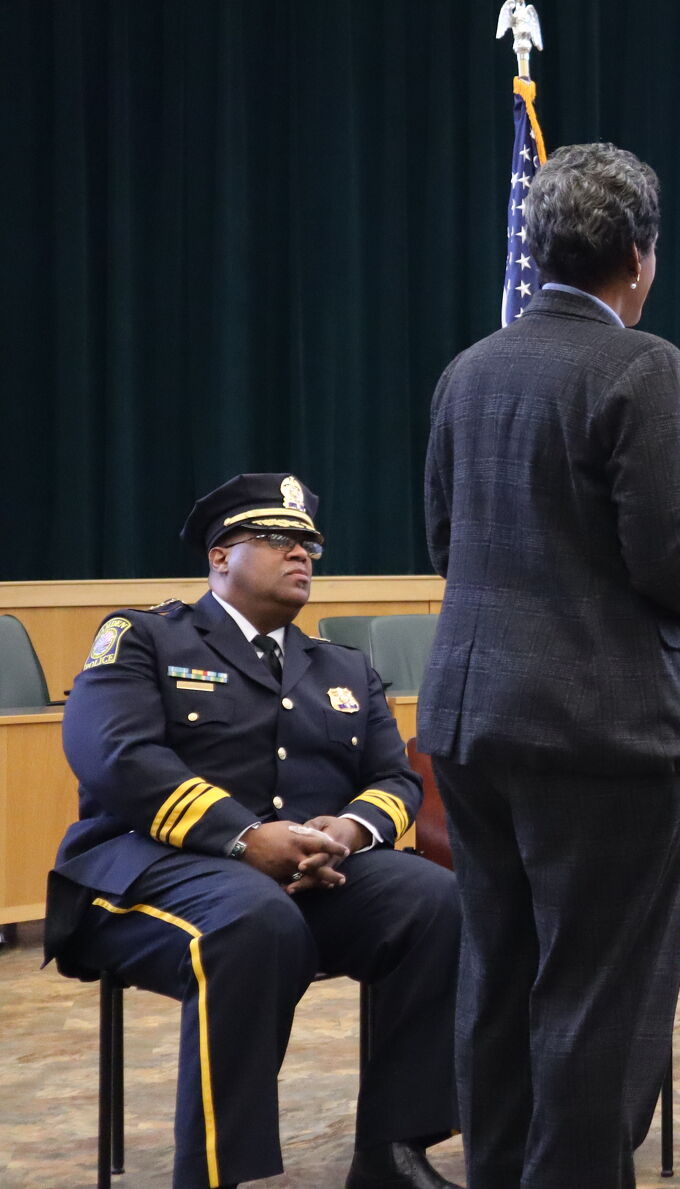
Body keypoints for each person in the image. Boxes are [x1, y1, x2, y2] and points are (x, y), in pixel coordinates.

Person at [418, 141, 680, 1189]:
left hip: (475, 726)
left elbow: (449, 544)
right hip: (604, 738)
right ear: (638, 254)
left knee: (499, 978)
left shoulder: (468, 368)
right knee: (597, 1003)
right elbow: (670, 562)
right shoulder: (642, 364)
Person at [46, 472, 459, 1189]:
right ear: (219, 555)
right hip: (148, 871)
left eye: (309, 543)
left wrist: (351, 831)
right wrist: (247, 838)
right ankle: (213, 1174)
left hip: (313, 874)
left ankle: (395, 1150)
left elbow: (396, 780)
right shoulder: (144, 636)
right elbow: (117, 757)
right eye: (277, 539)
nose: (302, 554)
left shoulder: (344, 667)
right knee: (251, 918)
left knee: (440, 902)